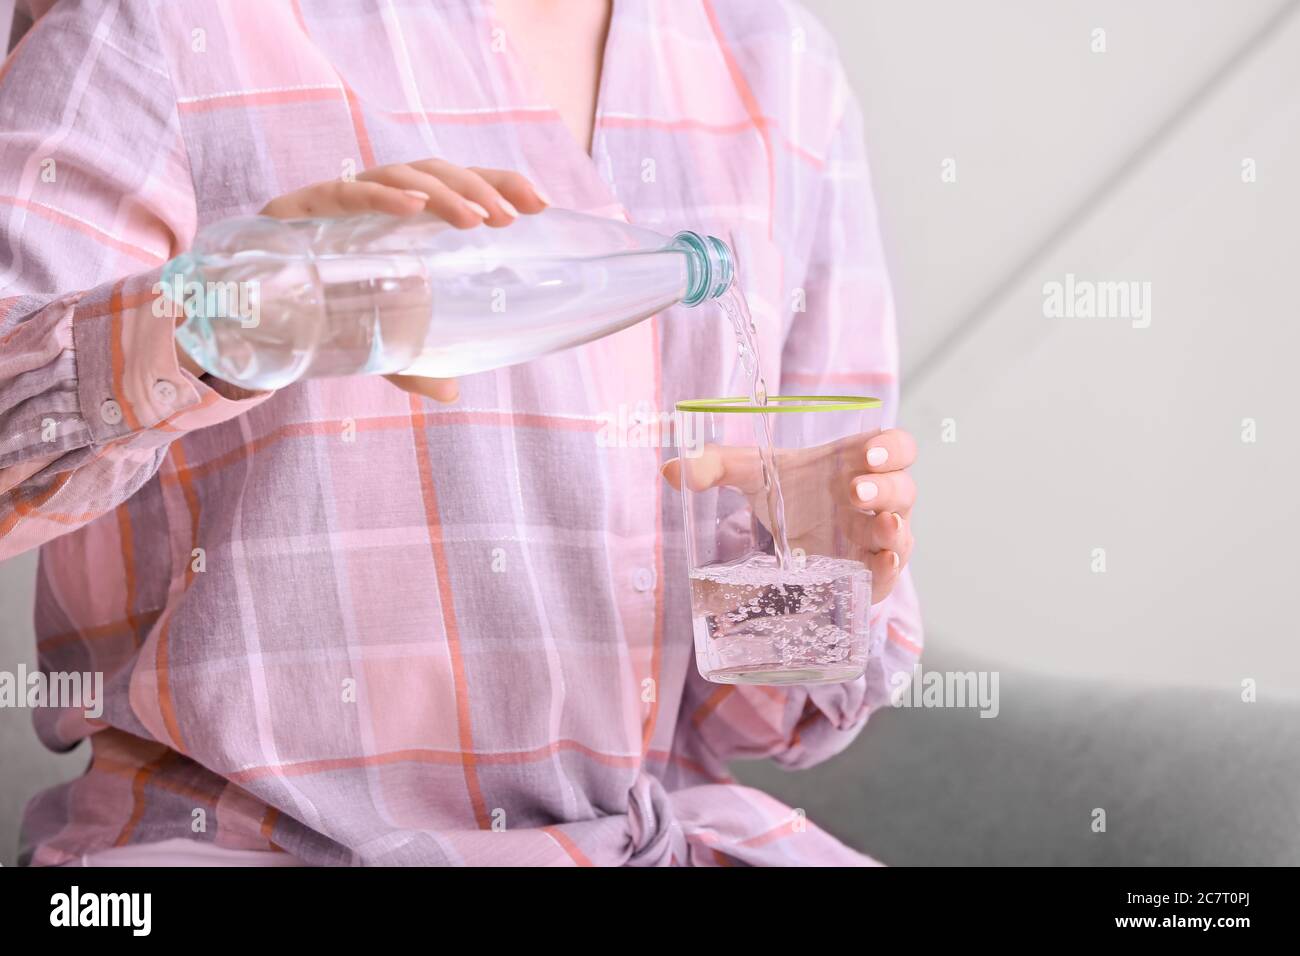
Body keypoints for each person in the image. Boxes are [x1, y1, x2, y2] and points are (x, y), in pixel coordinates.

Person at [0, 0, 921, 866]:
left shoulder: (777, 68)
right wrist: (225, 316)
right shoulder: (168, 22)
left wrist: (807, 569)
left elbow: (759, 719)